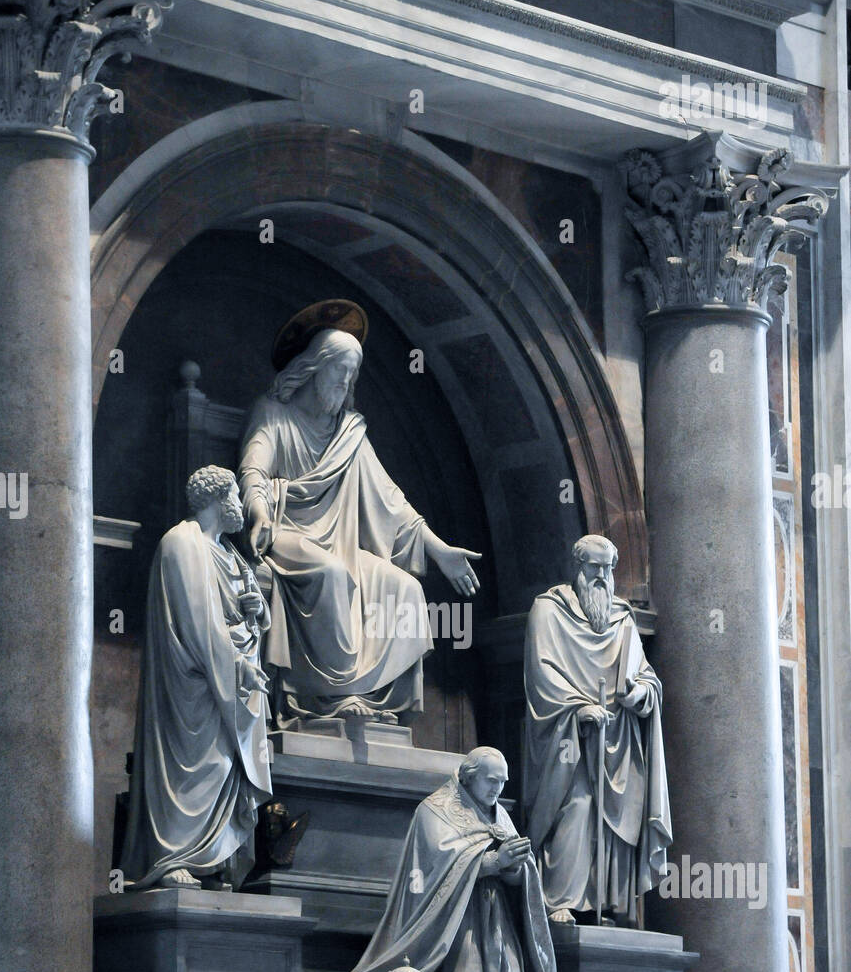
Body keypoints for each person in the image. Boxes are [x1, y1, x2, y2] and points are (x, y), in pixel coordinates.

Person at [238, 300, 481, 725]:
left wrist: (440, 551)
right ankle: (323, 700)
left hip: (341, 542)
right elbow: (253, 468)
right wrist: (258, 511)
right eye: (340, 370)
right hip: (288, 532)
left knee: (403, 588)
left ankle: (371, 702)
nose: (346, 381)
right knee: (332, 574)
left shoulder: (349, 433)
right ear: (315, 366)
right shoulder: (274, 414)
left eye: (352, 373)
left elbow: (393, 501)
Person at [304, 746, 588, 972]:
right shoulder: (434, 809)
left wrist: (516, 868)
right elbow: (434, 870)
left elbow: (517, 877)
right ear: (468, 776)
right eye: (492, 780)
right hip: (453, 924)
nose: (498, 788)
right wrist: (491, 861)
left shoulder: (500, 813)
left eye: (503, 782)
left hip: (497, 926)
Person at [121, 466, 272, 890]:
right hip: (191, 684)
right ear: (218, 498)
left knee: (224, 763)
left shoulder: (232, 555)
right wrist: (236, 665)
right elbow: (197, 622)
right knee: (191, 766)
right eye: (237, 498)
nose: (242, 507)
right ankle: (172, 856)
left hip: (232, 686)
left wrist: (257, 616)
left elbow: (248, 618)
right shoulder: (181, 543)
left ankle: (213, 858)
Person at [523, 534, 672, 925]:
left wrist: (639, 694)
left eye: (609, 568)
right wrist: (579, 709)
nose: (603, 577)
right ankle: (559, 900)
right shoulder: (548, 611)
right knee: (577, 808)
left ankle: (604, 903)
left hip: (618, 741)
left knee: (615, 820)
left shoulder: (623, 618)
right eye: (594, 568)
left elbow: (645, 677)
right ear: (577, 568)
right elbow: (542, 674)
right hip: (570, 738)